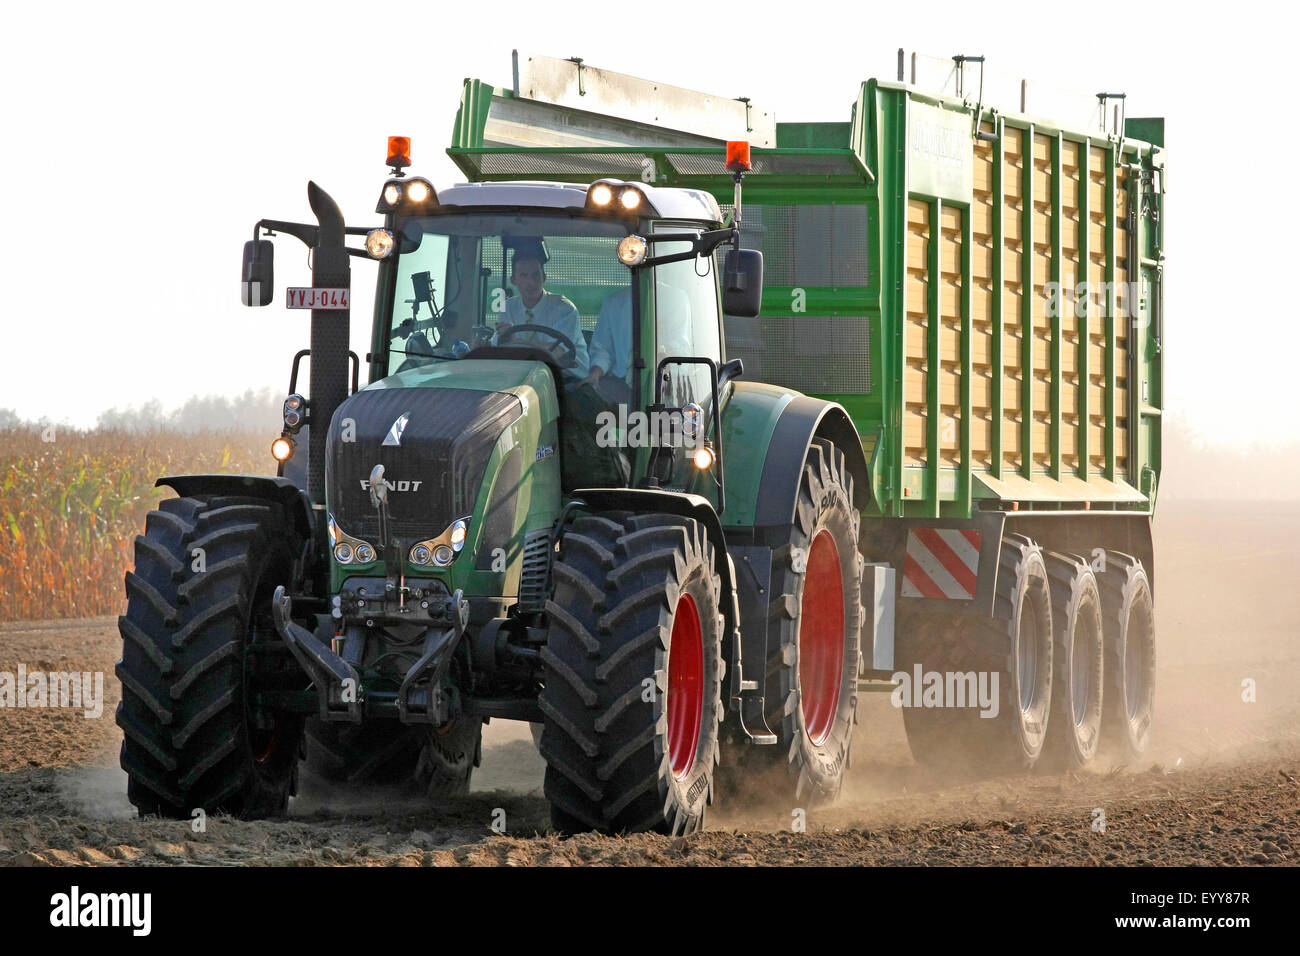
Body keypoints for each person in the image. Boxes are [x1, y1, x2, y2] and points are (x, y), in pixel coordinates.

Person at [586, 281, 693, 405]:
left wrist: (664, 358)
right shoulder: (613, 302)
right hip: (621, 388)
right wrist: (596, 372)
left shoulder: (677, 298)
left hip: (666, 384)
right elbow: (602, 349)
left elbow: (681, 346)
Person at [494, 245, 589, 378]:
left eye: (535, 275)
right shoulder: (507, 308)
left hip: (568, 378)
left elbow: (555, 352)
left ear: (544, 277)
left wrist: (516, 343)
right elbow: (499, 347)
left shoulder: (565, 309)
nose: (531, 282)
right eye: (524, 275)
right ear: (513, 280)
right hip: (525, 376)